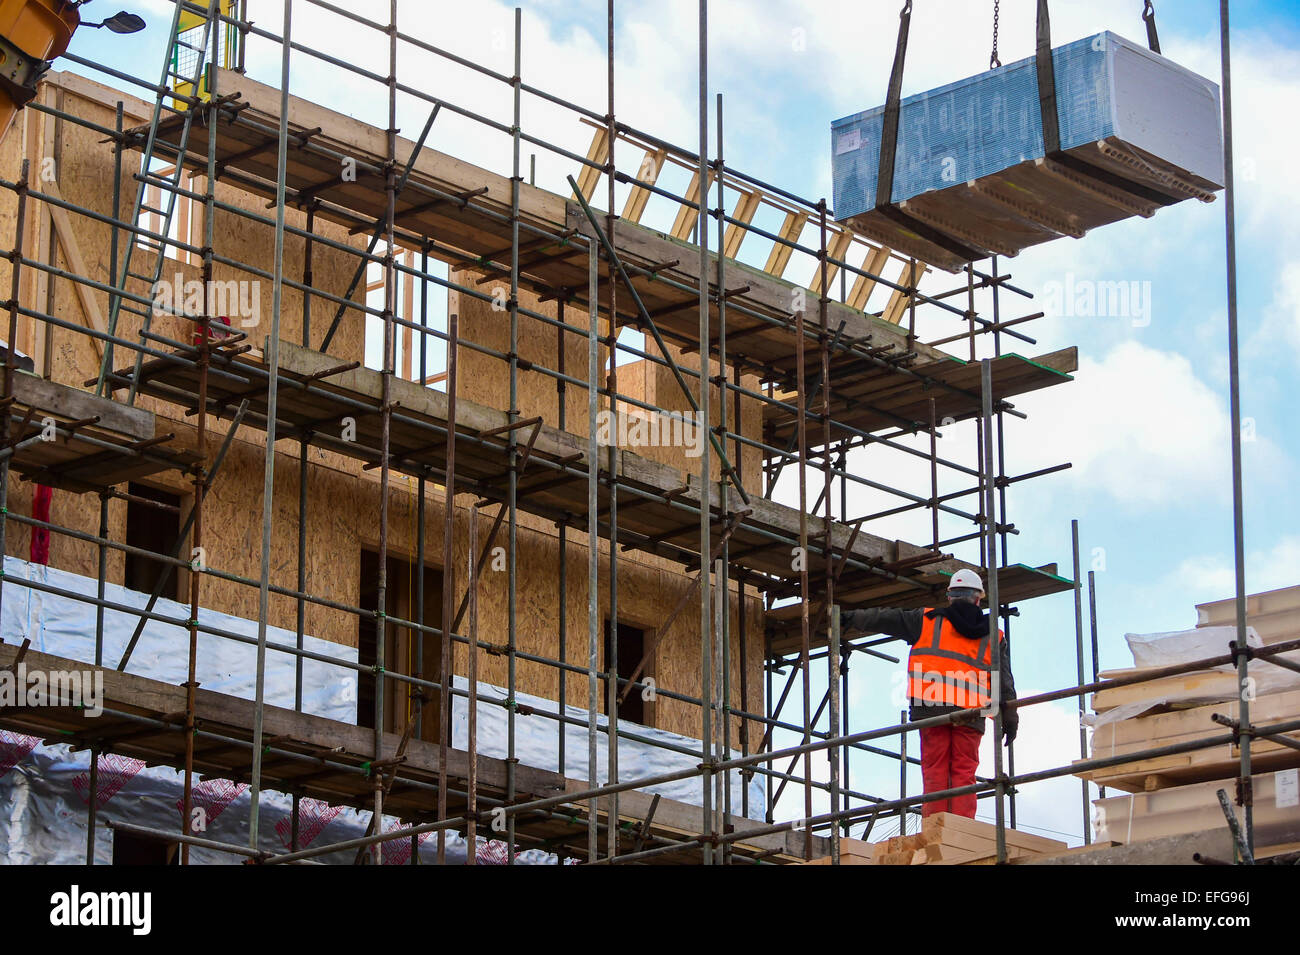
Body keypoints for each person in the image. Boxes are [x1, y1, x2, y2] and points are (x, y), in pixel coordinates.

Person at [839, 569, 1017, 818]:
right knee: (964, 773)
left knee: (935, 771)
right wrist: (1009, 719)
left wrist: (848, 618)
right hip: (972, 713)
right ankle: (961, 831)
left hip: (931, 708)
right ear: (978, 599)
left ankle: (937, 828)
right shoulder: (993, 636)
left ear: (950, 597)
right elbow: (1004, 684)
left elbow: (886, 618)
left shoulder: (926, 621)